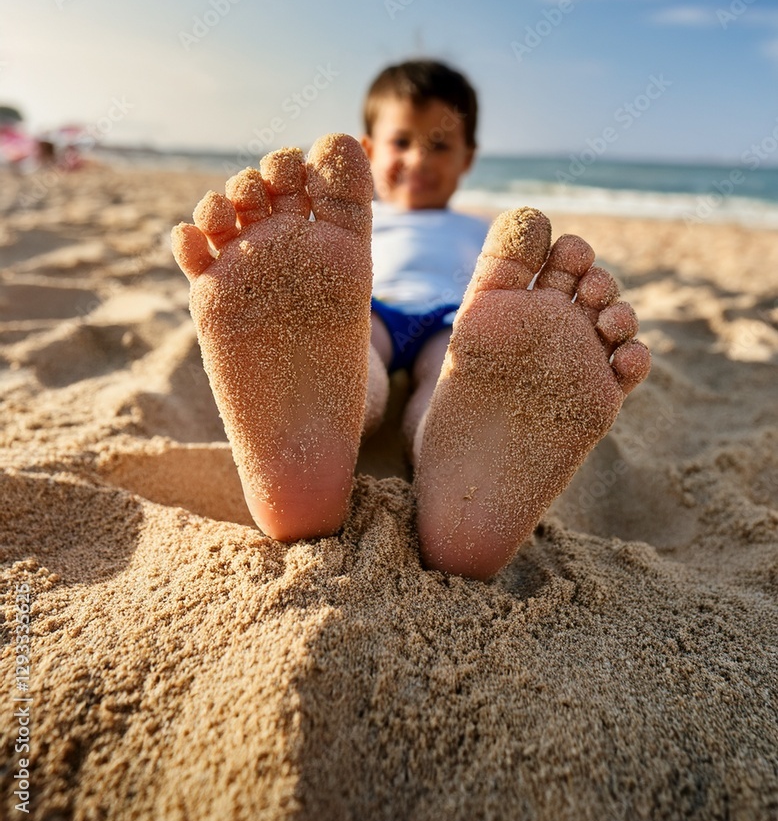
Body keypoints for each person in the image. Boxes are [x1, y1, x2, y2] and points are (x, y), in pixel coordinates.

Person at [171, 59, 650, 580]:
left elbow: (511, 292)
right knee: (358, 357)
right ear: (369, 149)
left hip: (460, 320)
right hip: (352, 308)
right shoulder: (342, 213)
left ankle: (463, 478)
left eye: (440, 145)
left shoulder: (477, 227)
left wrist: (534, 327)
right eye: (402, 142)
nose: (419, 157)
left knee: (456, 373)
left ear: (467, 158)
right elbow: (337, 274)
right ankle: (307, 452)